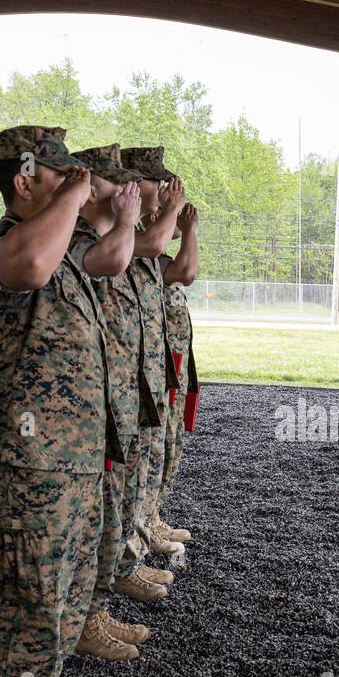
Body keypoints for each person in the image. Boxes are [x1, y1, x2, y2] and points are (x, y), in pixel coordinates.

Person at [0, 125, 116, 677]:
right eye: (62, 178)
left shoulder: (62, 250)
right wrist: (76, 196)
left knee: (70, 585)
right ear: (25, 182)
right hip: (24, 455)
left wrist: (92, 202)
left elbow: (108, 255)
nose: (78, 191)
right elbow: (29, 265)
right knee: (34, 591)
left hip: (70, 452)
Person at [68, 142, 157, 651]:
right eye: (114, 180)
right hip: (76, 414)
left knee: (108, 514)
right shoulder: (76, 237)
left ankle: (93, 613)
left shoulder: (101, 232)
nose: (127, 189)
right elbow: (118, 255)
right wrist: (135, 216)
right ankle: (85, 621)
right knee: (85, 527)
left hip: (113, 398)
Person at [115, 145, 188, 600]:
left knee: (146, 463)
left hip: (146, 369)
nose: (162, 190)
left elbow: (183, 271)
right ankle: (123, 564)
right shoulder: (116, 233)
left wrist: (187, 225)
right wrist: (174, 211)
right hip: (120, 378)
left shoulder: (131, 231)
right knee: (126, 474)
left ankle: (136, 548)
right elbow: (158, 247)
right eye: (154, 182)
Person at [154, 203, 200, 545]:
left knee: (169, 444)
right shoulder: (146, 256)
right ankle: (145, 523)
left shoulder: (153, 256)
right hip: (159, 368)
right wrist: (189, 230)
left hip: (173, 365)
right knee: (156, 447)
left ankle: (151, 516)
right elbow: (186, 271)